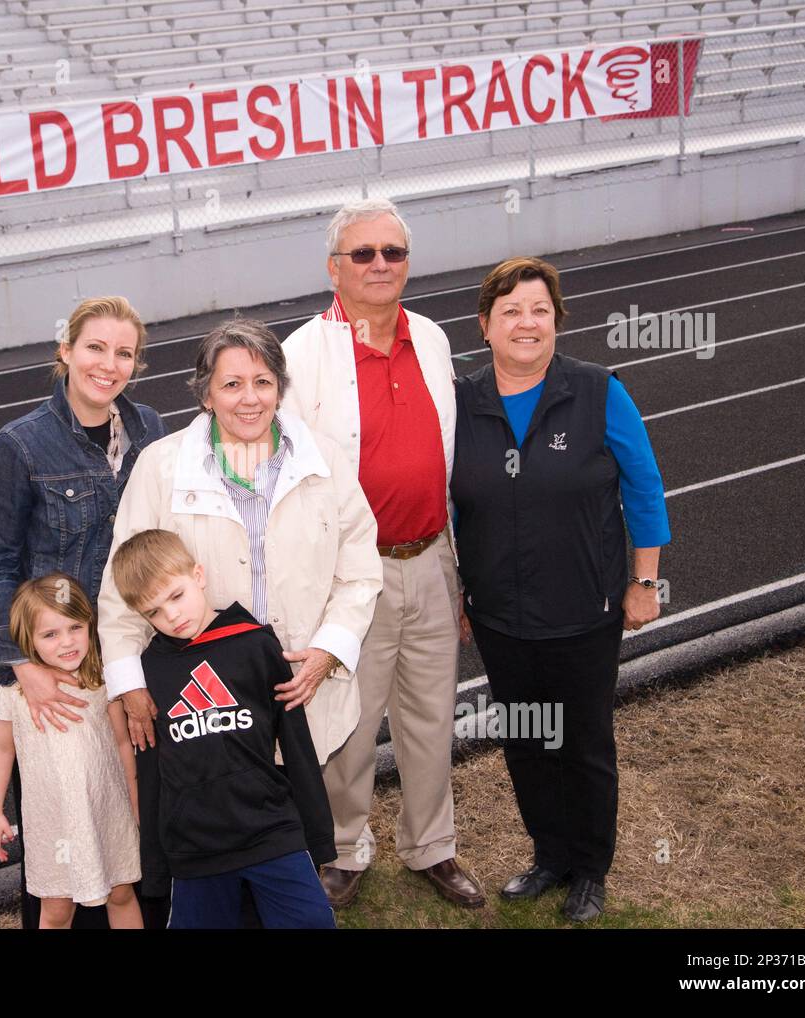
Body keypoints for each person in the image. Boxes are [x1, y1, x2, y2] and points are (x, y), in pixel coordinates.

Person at [452, 256, 671, 922]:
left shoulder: (601, 391)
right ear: (486, 324)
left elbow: (643, 488)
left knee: (582, 743)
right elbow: (451, 507)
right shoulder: (461, 403)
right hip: (500, 617)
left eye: (539, 310)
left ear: (556, 321)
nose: (526, 323)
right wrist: (463, 591)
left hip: (585, 611)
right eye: (511, 311)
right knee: (526, 740)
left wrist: (644, 581)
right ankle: (549, 855)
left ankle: (589, 869)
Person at [280, 197, 484, 910]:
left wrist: (454, 570)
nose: (378, 265)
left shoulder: (429, 337)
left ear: (407, 264)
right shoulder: (300, 355)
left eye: (391, 253)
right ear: (334, 267)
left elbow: (448, 458)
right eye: (362, 254)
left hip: (430, 558)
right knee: (348, 724)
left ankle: (432, 847)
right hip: (350, 575)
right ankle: (343, 849)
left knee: (432, 716)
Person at [96, 318, 381, 788]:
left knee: (310, 815)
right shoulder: (161, 467)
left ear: (280, 389)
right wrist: (129, 681)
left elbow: (360, 571)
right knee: (231, 822)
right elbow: (123, 582)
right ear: (206, 394)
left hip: (305, 684)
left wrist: (329, 651)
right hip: (208, 702)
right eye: (232, 384)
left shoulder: (324, 458)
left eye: (263, 382)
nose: (250, 398)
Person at [0, 295, 163, 929]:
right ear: (66, 352)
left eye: (124, 352)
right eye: (95, 348)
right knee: (60, 815)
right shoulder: (21, 445)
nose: (109, 364)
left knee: (134, 812)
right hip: (60, 663)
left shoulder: (151, 431)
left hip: (134, 654)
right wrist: (20, 664)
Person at [110, 529, 337, 928]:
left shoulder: (256, 645)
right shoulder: (150, 672)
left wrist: (317, 835)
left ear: (198, 575)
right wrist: (157, 862)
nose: (172, 617)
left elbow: (296, 742)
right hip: (196, 849)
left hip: (270, 831)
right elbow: (151, 773)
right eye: (154, 613)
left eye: (176, 596)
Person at [0, 573, 142, 928]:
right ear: (29, 639)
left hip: (107, 810)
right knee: (56, 909)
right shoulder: (15, 694)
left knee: (121, 893)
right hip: (51, 822)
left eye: (75, 627)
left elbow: (121, 742)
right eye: (50, 634)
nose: (67, 642)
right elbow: (1, 750)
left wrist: (136, 804)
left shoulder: (101, 678)